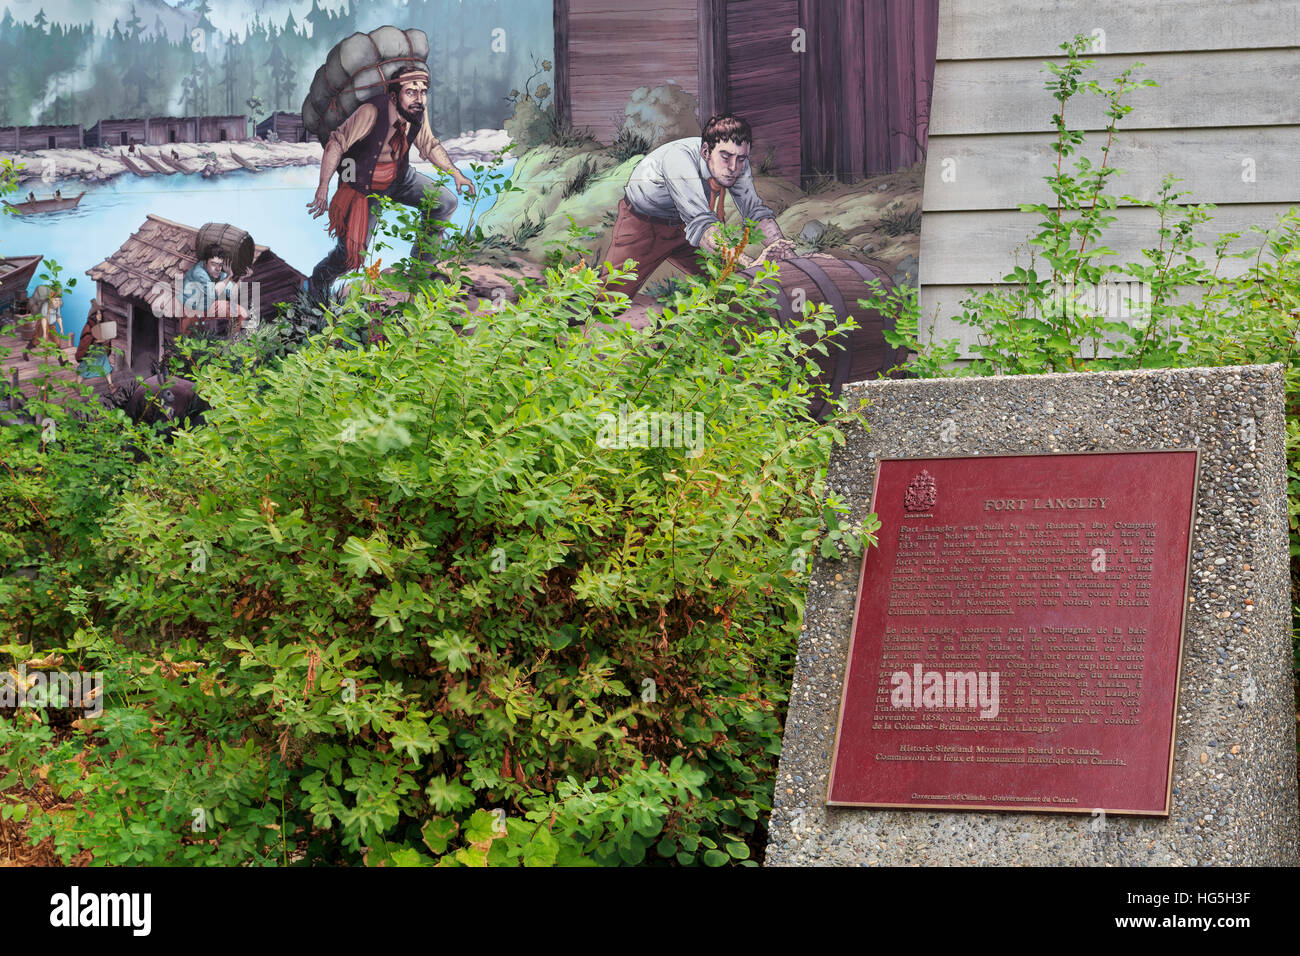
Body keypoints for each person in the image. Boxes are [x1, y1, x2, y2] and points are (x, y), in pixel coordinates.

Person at [305, 66, 475, 302]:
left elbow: (430, 145)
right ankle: (319, 280)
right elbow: (336, 143)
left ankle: (423, 269)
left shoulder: (416, 114)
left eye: (423, 92)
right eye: (411, 92)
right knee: (350, 256)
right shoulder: (371, 112)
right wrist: (323, 186)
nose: (419, 99)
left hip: (399, 178)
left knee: (444, 202)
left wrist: (456, 173)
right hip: (364, 188)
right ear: (394, 96)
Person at [603, 113, 795, 298]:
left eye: (741, 159)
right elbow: (704, 228)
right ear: (705, 151)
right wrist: (748, 263)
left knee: (731, 286)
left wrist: (786, 252)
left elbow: (755, 212)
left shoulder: (737, 163)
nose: (733, 168)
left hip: (686, 225)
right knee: (609, 299)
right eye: (726, 157)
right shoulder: (679, 161)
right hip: (643, 225)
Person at [179, 244, 249, 336]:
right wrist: (229, 277)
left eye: (220, 265)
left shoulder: (221, 274)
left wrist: (241, 278)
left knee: (242, 313)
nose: (217, 268)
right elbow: (213, 293)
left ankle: (232, 340)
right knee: (187, 338)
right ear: (205, 263)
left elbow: (232, 292)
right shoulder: (199, 273)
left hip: (209, 306)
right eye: (213, 264)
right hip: (191, 309)